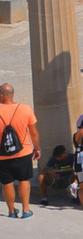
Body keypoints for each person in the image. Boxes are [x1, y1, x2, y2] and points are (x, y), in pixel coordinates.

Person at [0, 84, 41, 218]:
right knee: (24, 180)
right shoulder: (25, 109)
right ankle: (25, 210)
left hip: (2, 154)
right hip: (23, 152)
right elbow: (34, 133)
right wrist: (37, 148)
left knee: (7, 182)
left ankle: (11, 211)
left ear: (1, 95)